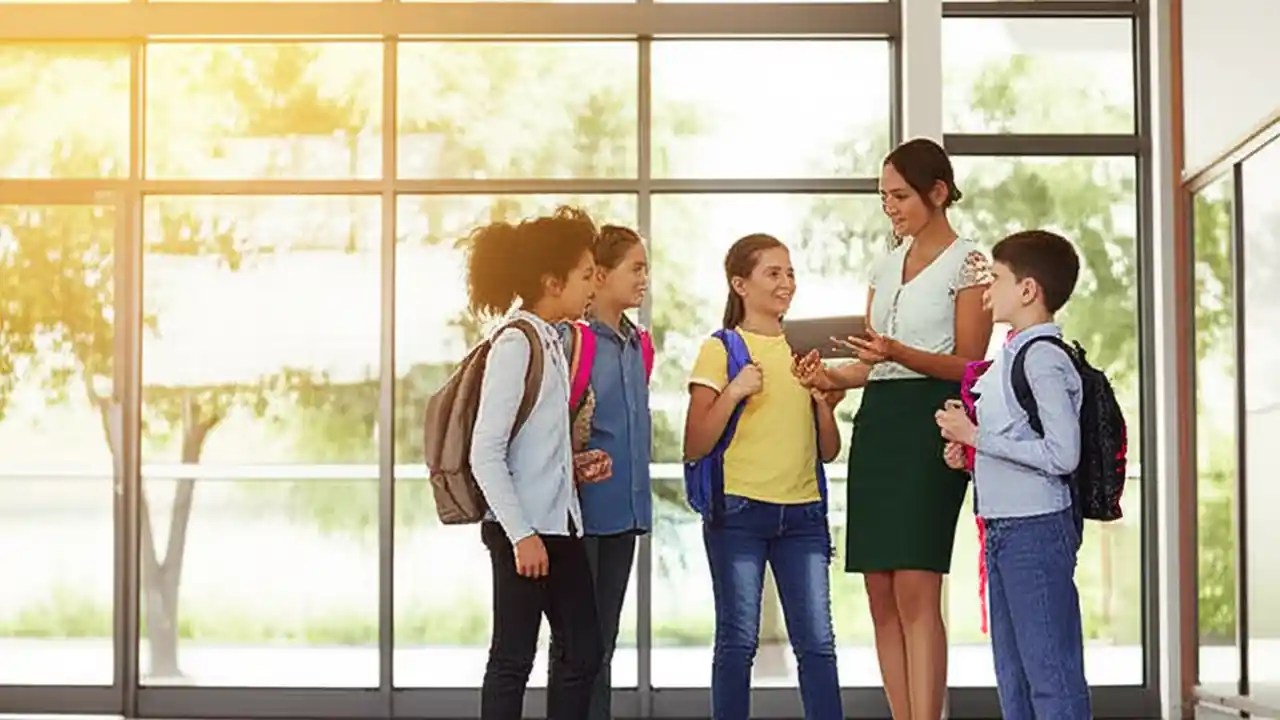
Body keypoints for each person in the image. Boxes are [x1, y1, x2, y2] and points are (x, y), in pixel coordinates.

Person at [794, 138, 993, 720]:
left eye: (900, 195)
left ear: (938, 192)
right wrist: (828, 375)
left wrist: (896, 352)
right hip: (879, 424)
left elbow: (971, 365)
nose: (890, 207)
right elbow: (872, 363)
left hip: (932, 424)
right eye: (883, 196)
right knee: (879, 589)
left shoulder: (971, 263)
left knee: (915, 585)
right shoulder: (884, 265)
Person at [684, 233, 845, 720]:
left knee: (818, 645)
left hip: (804, 516)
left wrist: (823, 403)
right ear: (740, 284)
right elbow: (695, 443)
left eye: (790, 272)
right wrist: (735, 391)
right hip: (739, 514)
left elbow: (829, 451)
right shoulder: (721, 349)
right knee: (737, 642)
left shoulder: (803, 352)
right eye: (773, 273)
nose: (786, 283)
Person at [935, 230, 1092, 720]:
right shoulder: (1012, 354)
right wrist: (970, 455)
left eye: (997, 278)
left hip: (1035, 530)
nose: (988, 288)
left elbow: (1063, 455)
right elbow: (1019, 442)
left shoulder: (1042, 358)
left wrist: (976, 436)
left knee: (1050, 677)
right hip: (1005, 529)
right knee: (1015, 678)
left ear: (1027, 290)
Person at [466, 206, 606, 720]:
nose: (594, 285)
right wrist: (521, 535)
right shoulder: (515, 342)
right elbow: (485, 451)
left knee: (582, 651)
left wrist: (574, 464)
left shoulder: (551, 338)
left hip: (558, 525)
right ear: (552, 282)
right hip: (524, 531)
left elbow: (530, 443)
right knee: (513, 660)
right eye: (586, 275)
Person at [553, 224, 654, 720]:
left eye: (646, 269)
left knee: (605, 642)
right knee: (576, 647)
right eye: (635, 268)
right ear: (600, 275)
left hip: (624, 514)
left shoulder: (639, 346)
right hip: (579, 516)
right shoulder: (571, 342)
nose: (644, 279)